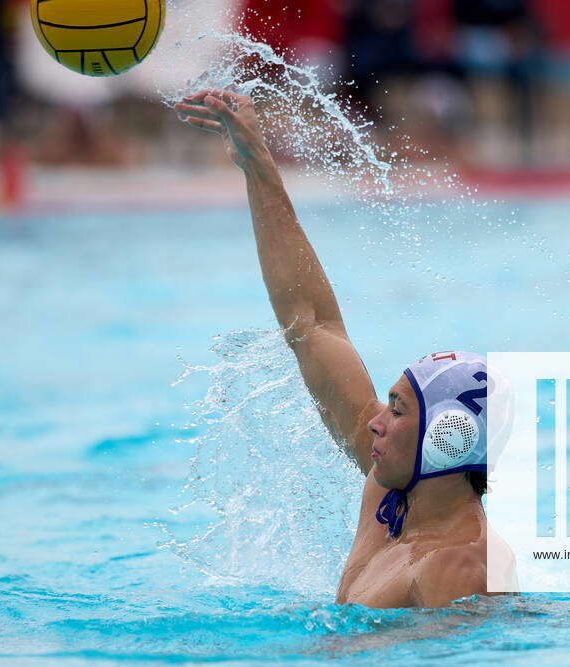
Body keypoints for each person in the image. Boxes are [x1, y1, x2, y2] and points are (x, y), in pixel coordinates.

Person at [174, 88, 516, 608]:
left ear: (447, 439)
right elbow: (311, 324)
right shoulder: (393, 490)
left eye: (397, 410)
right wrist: (258, 167)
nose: (375, 421)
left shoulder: (459, 569)